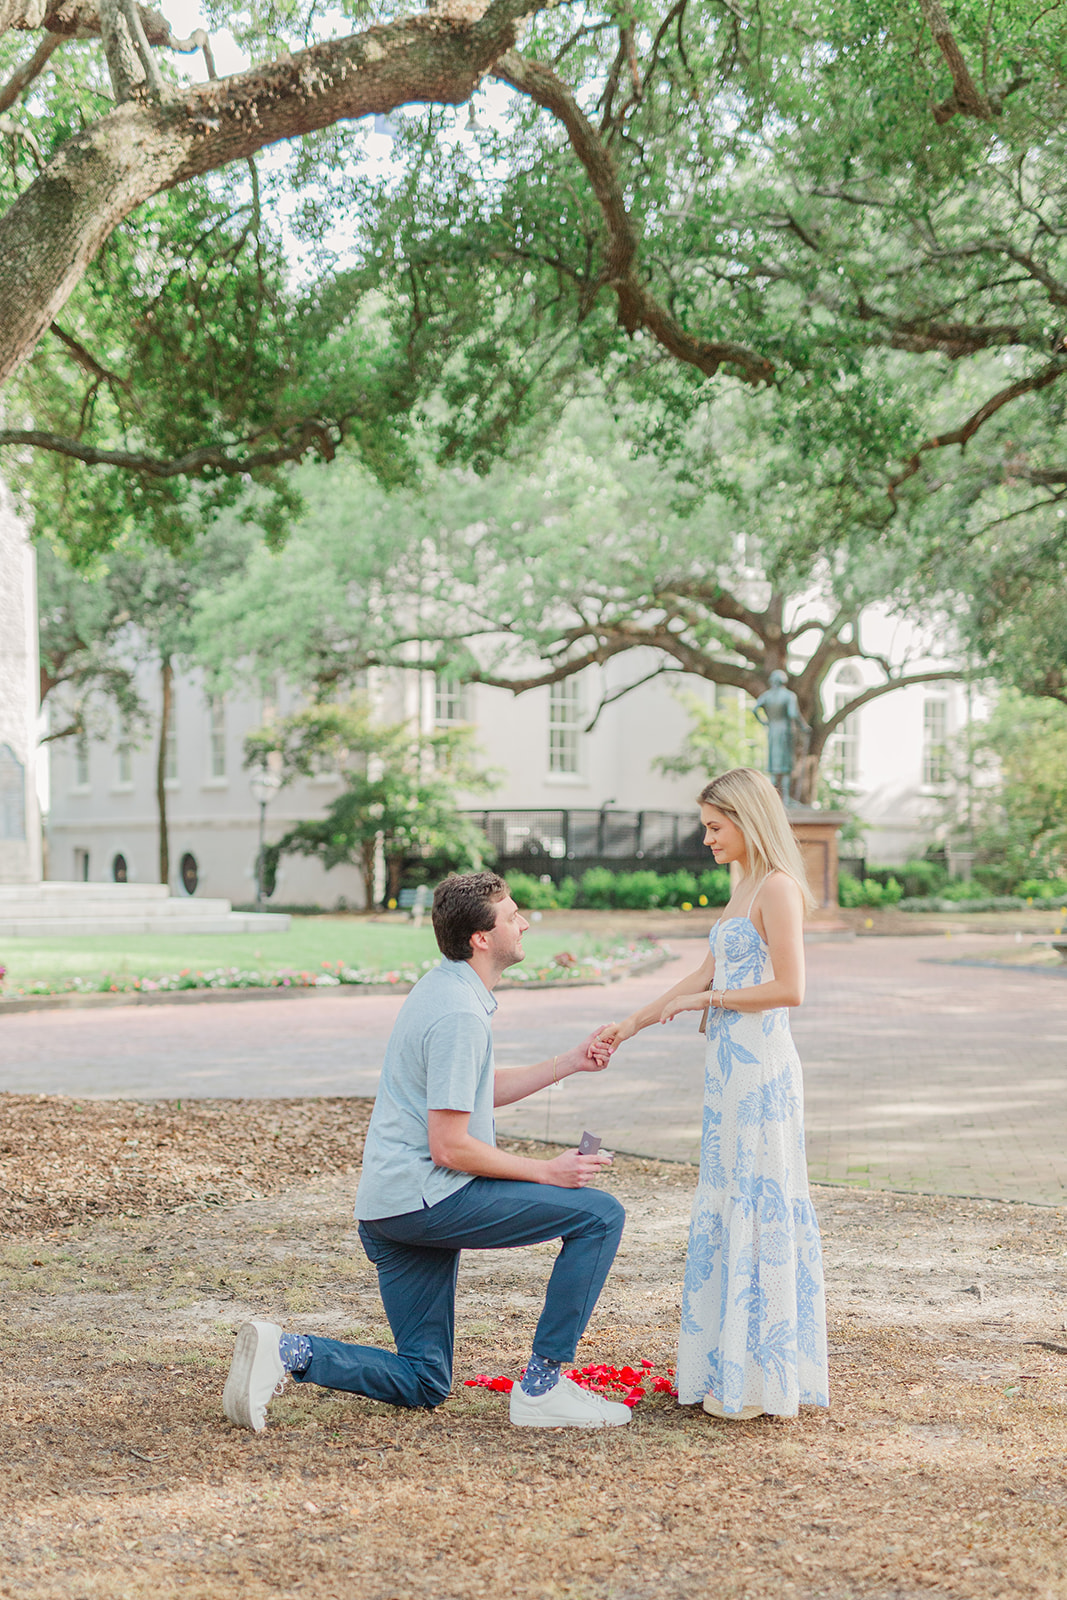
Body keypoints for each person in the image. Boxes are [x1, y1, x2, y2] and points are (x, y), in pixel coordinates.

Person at [222, 871, 631, 1433]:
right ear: (482, 938)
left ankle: (285, 1351)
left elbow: (468, 1091)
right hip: (430, 1200)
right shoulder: (459, 1015)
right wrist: (547, 1172)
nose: (526, 922)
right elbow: (449, 1146)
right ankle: (542, 1387)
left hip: (389, 1210)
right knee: (600, 1216)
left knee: (423, 1379)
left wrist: (570, 1061)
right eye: (513, 915)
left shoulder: (444, 988)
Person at [599, 768, 829, 1420]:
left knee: (757, 1199)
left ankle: (762, 1378)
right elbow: (698, 975)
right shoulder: (740, 888)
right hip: (726, 1073)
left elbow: (790, 988)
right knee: (727, 1197)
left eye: (713, 826)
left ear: (746, 820)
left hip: (761, 1072)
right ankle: (726, 1367)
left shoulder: (777, 889)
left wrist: (713, 999)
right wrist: (628, 1025)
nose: (705, 838)